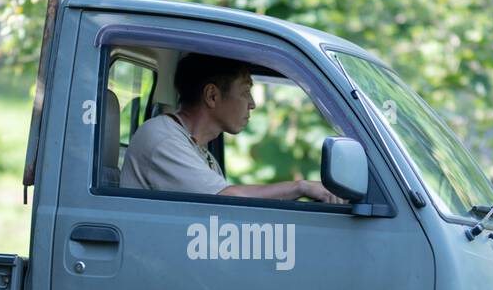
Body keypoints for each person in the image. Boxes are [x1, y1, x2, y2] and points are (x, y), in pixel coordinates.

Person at [119, 54, 345, 203]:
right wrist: (301, 187)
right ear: (212, 96)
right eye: (246, 91)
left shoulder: (197, 150)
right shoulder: (163, 139)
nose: (253, 104)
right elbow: (226, 198)